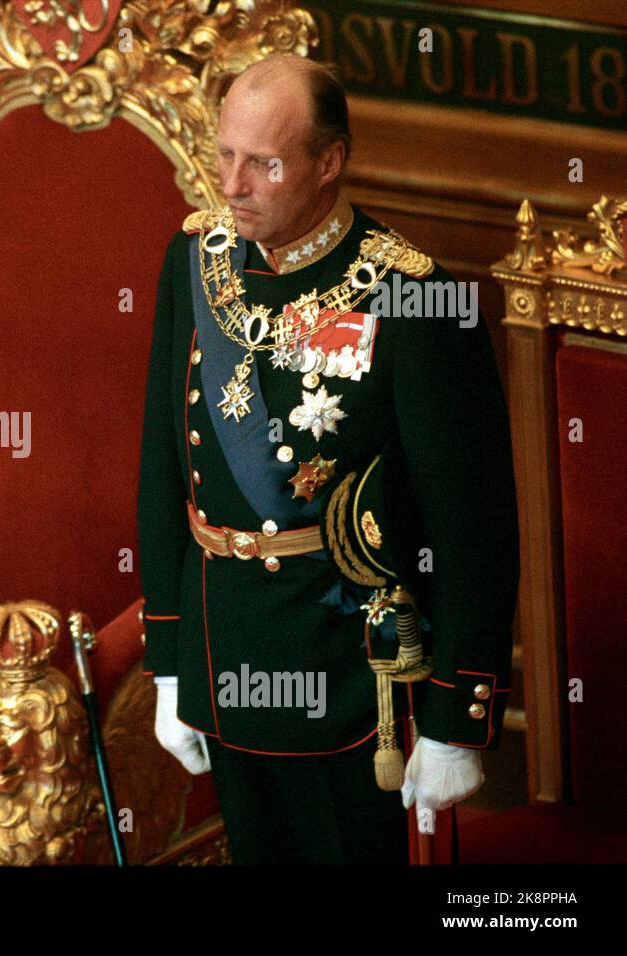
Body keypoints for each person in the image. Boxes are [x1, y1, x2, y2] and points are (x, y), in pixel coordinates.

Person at [138, 55, 519, 864]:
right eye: (225, 155)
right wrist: (170, 664)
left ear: (328, 163)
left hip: (352, 679)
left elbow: (473, 527)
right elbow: (164, 468)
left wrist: (457, 720)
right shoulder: (194, 262)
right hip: (223, 651)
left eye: (265, 164)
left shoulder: (414, 297)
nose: (234, 185)